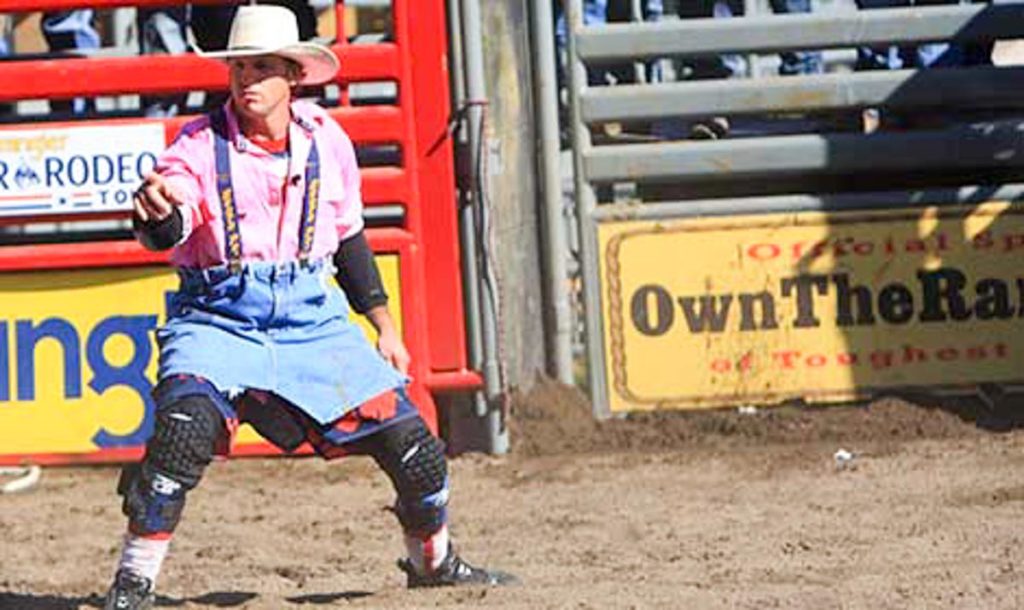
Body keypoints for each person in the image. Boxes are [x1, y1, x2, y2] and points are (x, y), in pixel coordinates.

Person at [102, 6, 516, 609]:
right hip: (218, 316)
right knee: (182, 434)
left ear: (293, 75)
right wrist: (158, 212)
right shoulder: (196, 145)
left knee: (417, 450)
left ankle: (435, 562)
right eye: (240, 68)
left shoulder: (327, 140)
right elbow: (170, 219)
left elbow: (348, 238)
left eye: (262, 68)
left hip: (313, 319)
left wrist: (384, 326)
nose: (248, 80)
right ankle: (132, 583)